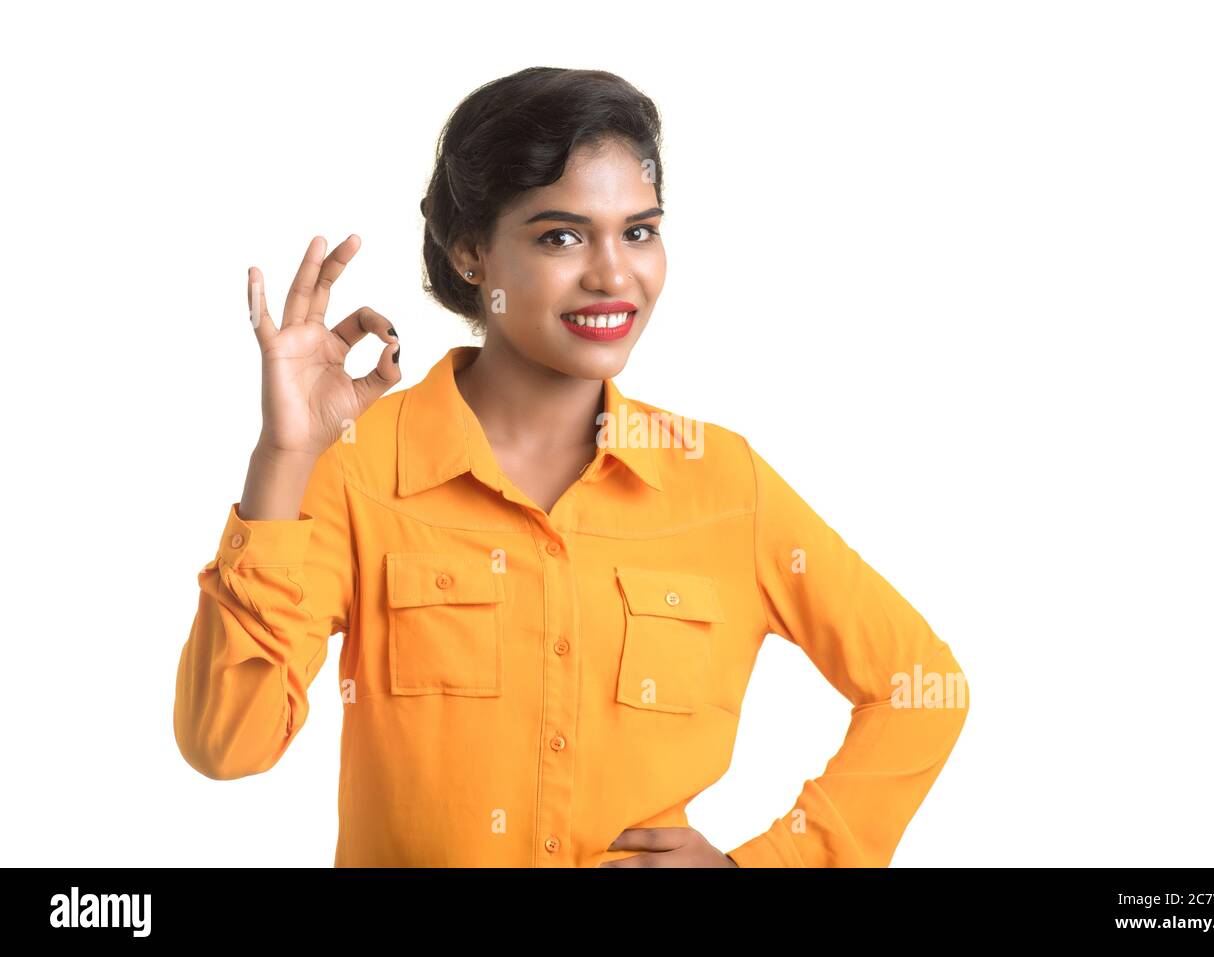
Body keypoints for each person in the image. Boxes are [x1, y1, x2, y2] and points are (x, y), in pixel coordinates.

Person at [173, 66, 969, 867]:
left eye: (639, 230)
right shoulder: (359, 471)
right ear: (471, 252)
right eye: (561, 236)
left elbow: (921, 687)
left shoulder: (723, 485)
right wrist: (283, 458)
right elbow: (225, 744)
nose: (614, 274)